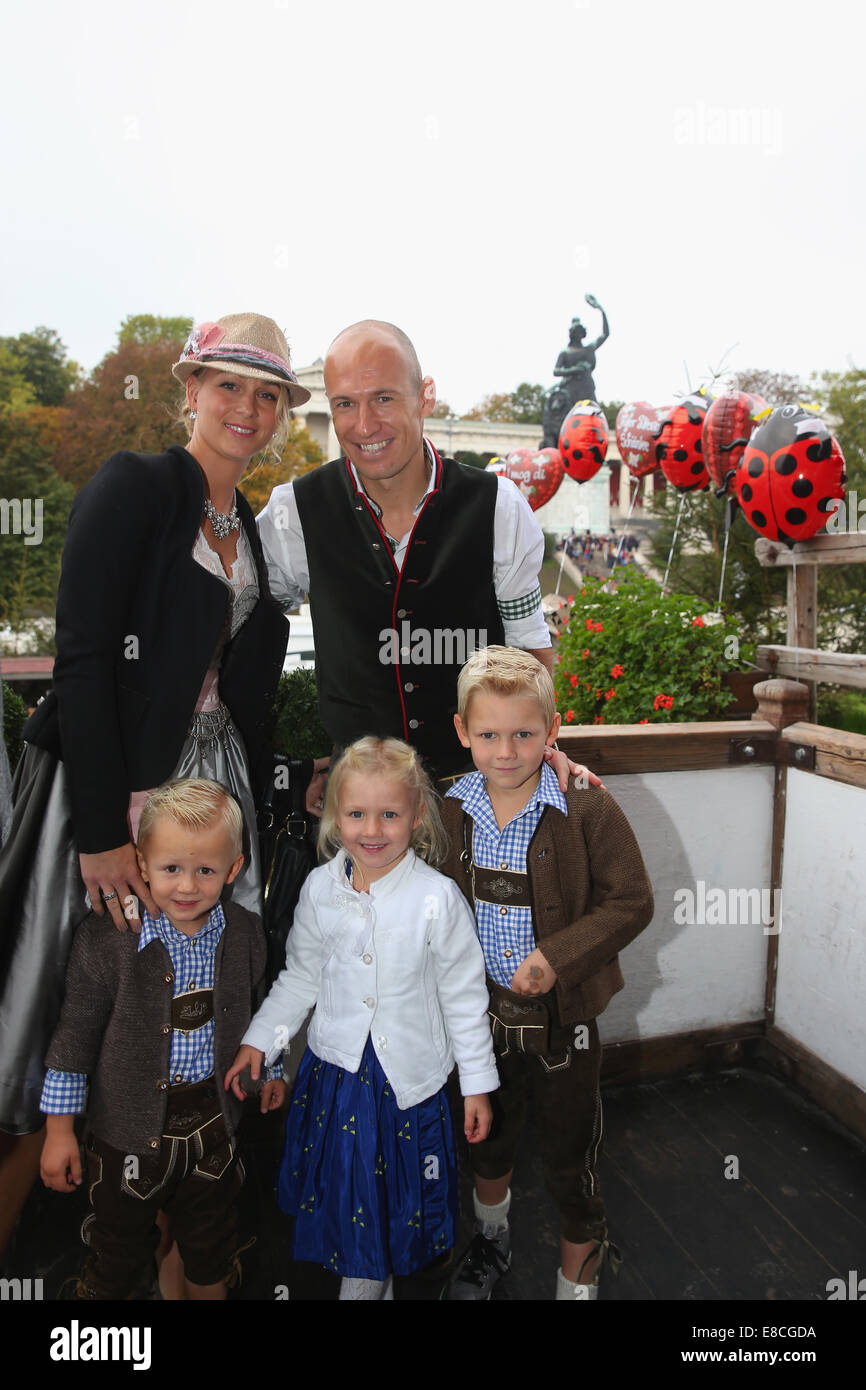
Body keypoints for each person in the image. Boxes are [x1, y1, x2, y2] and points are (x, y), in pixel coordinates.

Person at [0, 313, 304, 1239]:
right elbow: (83, 657)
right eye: (228, 385)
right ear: (190, 389)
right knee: (55, 1003)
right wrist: (98, 830)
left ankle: (177, 1237)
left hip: (215, 795)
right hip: (111, 792)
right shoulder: (137, 485)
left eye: (267, 394)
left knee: (188, 1015)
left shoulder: (249, 520)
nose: (246, 408)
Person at [225, 736, 499, 1301]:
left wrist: (476, 1086)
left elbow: (464, 999)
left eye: (389, 814)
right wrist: (264, 1043)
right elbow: (299, 979)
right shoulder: (319, 889)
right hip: (337, 1086)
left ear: (417, 815)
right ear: (334, 816)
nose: (372, 830)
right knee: (356, 1214)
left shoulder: (439, 898)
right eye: (356, 814)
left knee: (388, 1215)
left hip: (408, 1092)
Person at [439, 646, 654, 1301]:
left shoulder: (584, 804)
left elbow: (632, 899)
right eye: (489, 734)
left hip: (567, 1026)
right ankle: (493, 1237)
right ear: (462, 732)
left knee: (569, 1151)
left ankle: (577, 1275)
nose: (506, 751)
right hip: (480, 1021)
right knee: (485, 1134)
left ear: (552, 731)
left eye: (525, 734)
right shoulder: (448, 808)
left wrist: (555, 958)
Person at [257, 320, 554, 781]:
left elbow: (529, 654)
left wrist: (540, 753)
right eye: (344, 404)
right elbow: (242, 636)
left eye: (383, 398)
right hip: (360, 811)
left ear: (425, 397)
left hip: (479, 794)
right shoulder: (293, 513)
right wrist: (283, 770)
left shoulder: (500, 507)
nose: (364, 424)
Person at [39, 779, 284, 1300]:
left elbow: (261, 1010)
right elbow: (73, 1041)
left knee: (211, 1251)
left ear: (234, 869)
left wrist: (273, 1068)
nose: (188, 886)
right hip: (125, 1140)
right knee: (115, 1258)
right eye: (171, 868)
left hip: (213, 1130)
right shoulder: (108, 940)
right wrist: (59, 1132)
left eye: (206, 870)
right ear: (141, 864)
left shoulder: (243, 933)